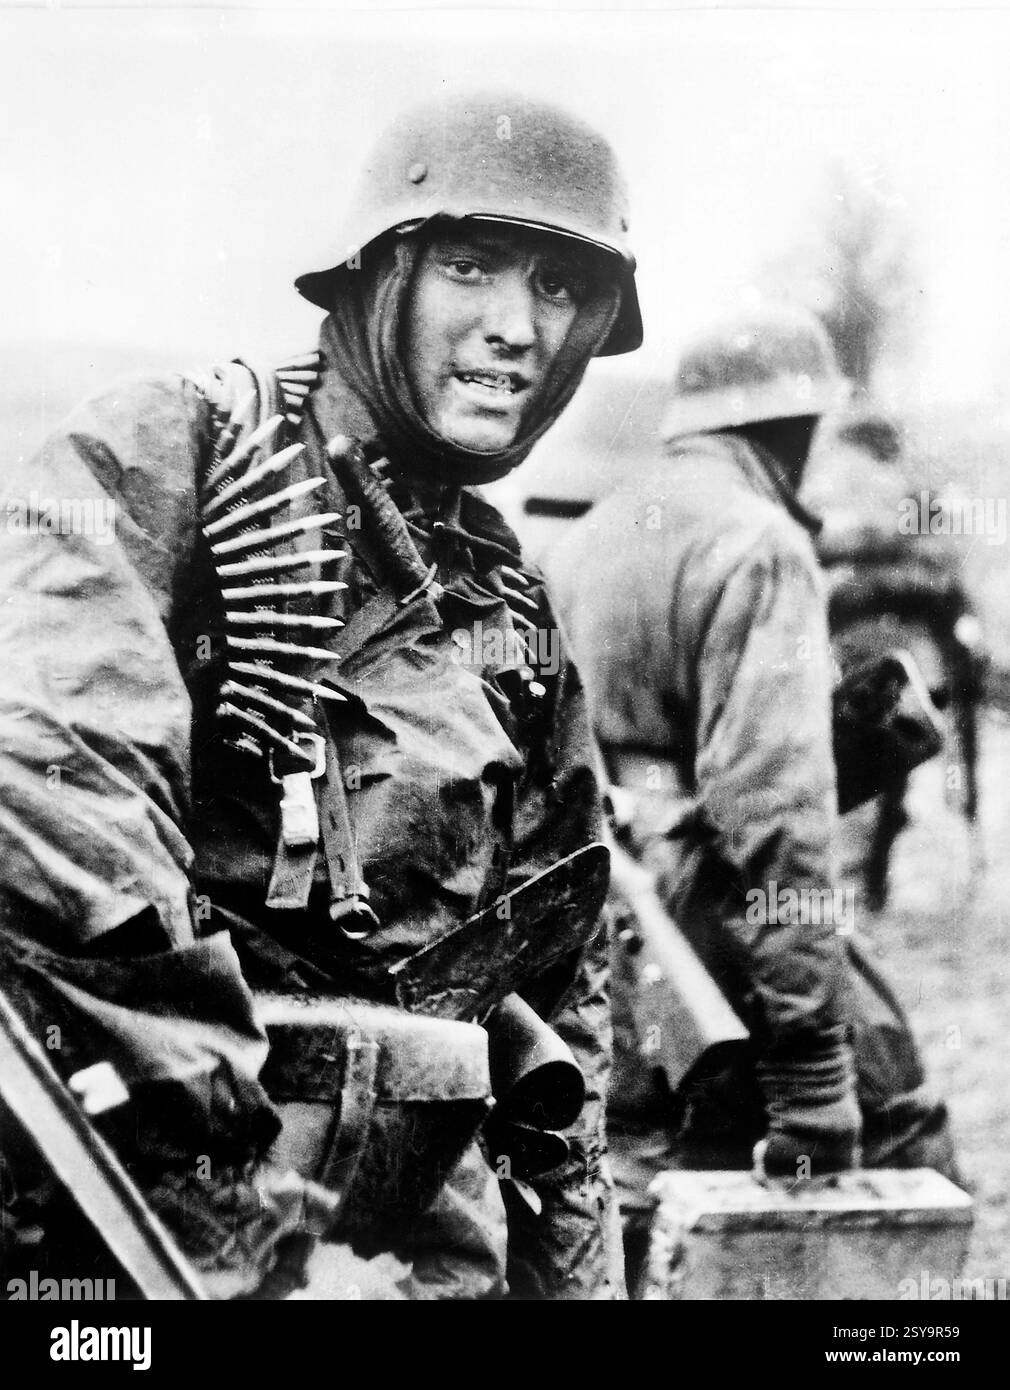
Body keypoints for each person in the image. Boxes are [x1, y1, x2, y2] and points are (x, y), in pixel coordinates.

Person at [0, 91, 642, 1300]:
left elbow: (564, 988)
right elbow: (55, 775)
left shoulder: (506, 603)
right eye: (469, 266)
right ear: (375, 276)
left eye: (558, 288)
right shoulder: (173, 453)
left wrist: (574, 1280)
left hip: (418, 1226)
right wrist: (225, 1182)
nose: (516, 326)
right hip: (144, 1200)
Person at [545, 305, 960, 1261]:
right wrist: (814, 1076)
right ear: (794, 428)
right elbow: (776, 819)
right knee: (903, 1126)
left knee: (643, 1176)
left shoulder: (589, 537)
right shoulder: (761, 542)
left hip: (610, 917)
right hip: (718, 914)